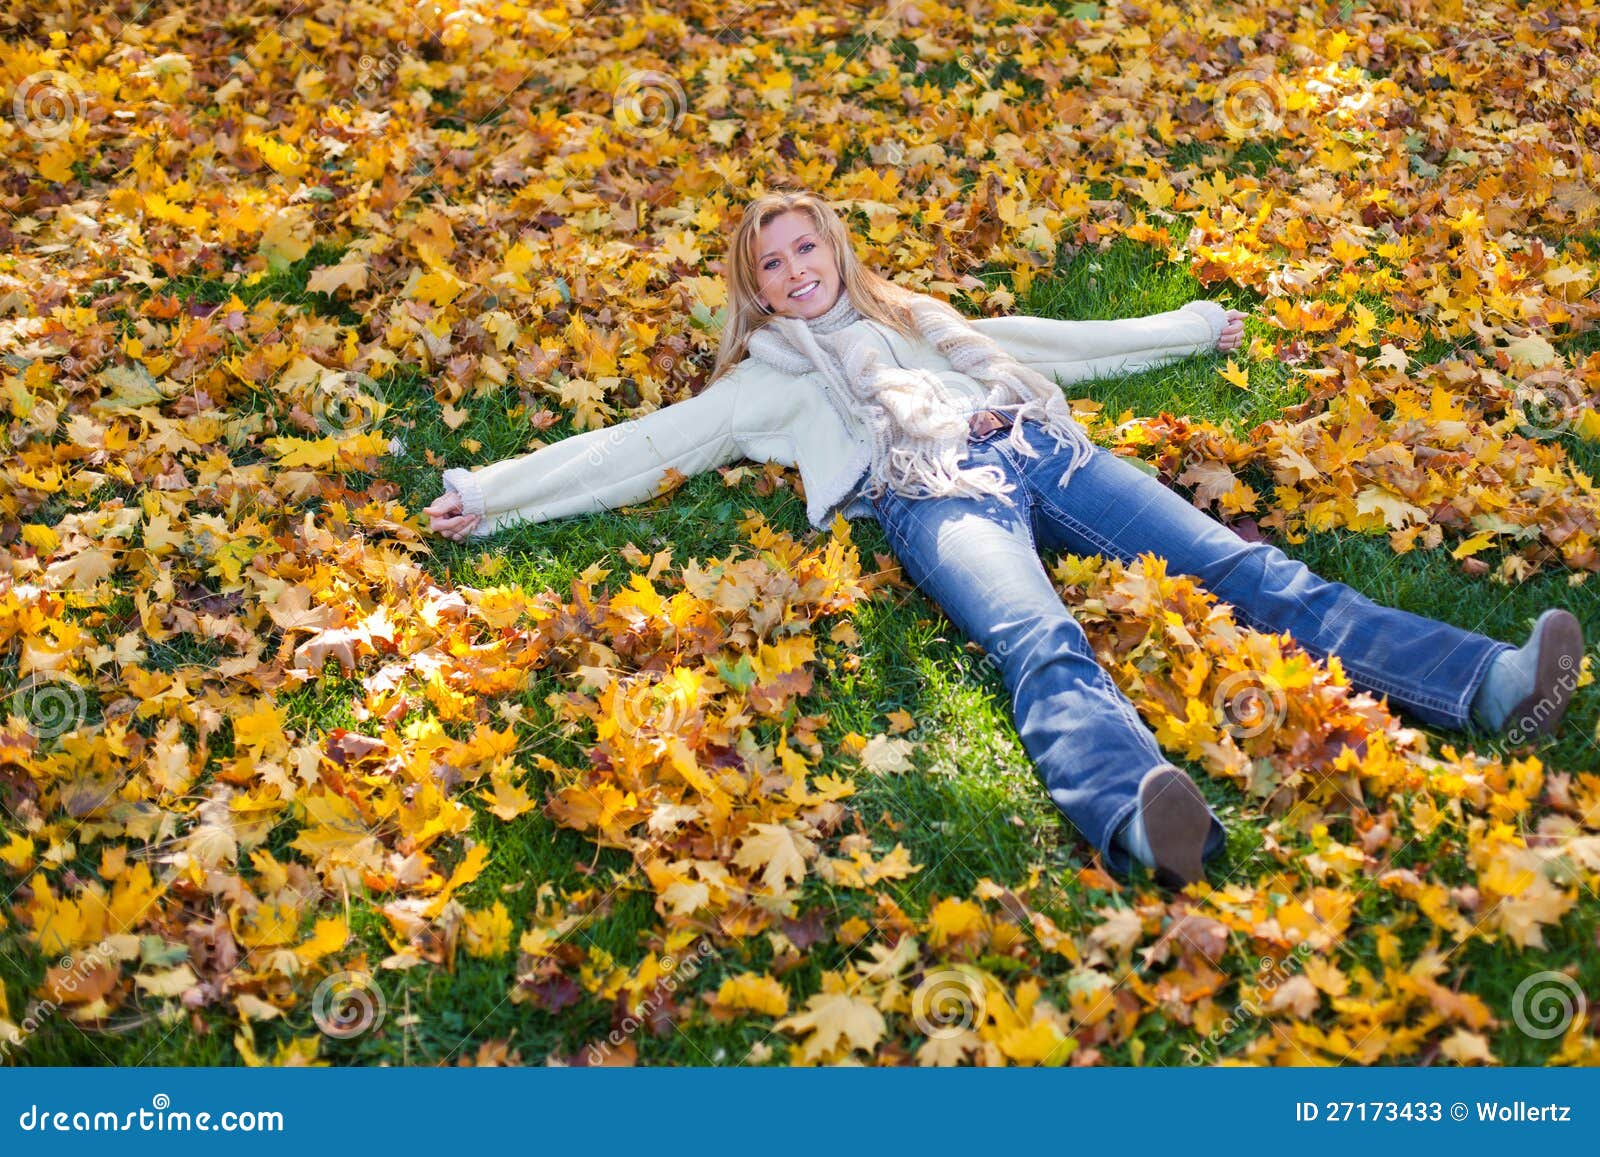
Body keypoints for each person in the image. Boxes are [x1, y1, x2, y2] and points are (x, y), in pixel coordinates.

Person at [425, 189, 1586, 889]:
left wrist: (1185, 324)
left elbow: (1055, 342)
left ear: (836, 248)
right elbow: (633, 446)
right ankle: (1138, 815)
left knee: (1250, 570)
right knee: (1038, 637)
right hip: (935, 498)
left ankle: (1484, 682)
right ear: (754, 287)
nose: (794, 271)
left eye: (806, 248)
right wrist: (492, 492)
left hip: (1040, 449)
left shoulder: (919, 319)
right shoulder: (764, 383)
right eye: (769, 262)